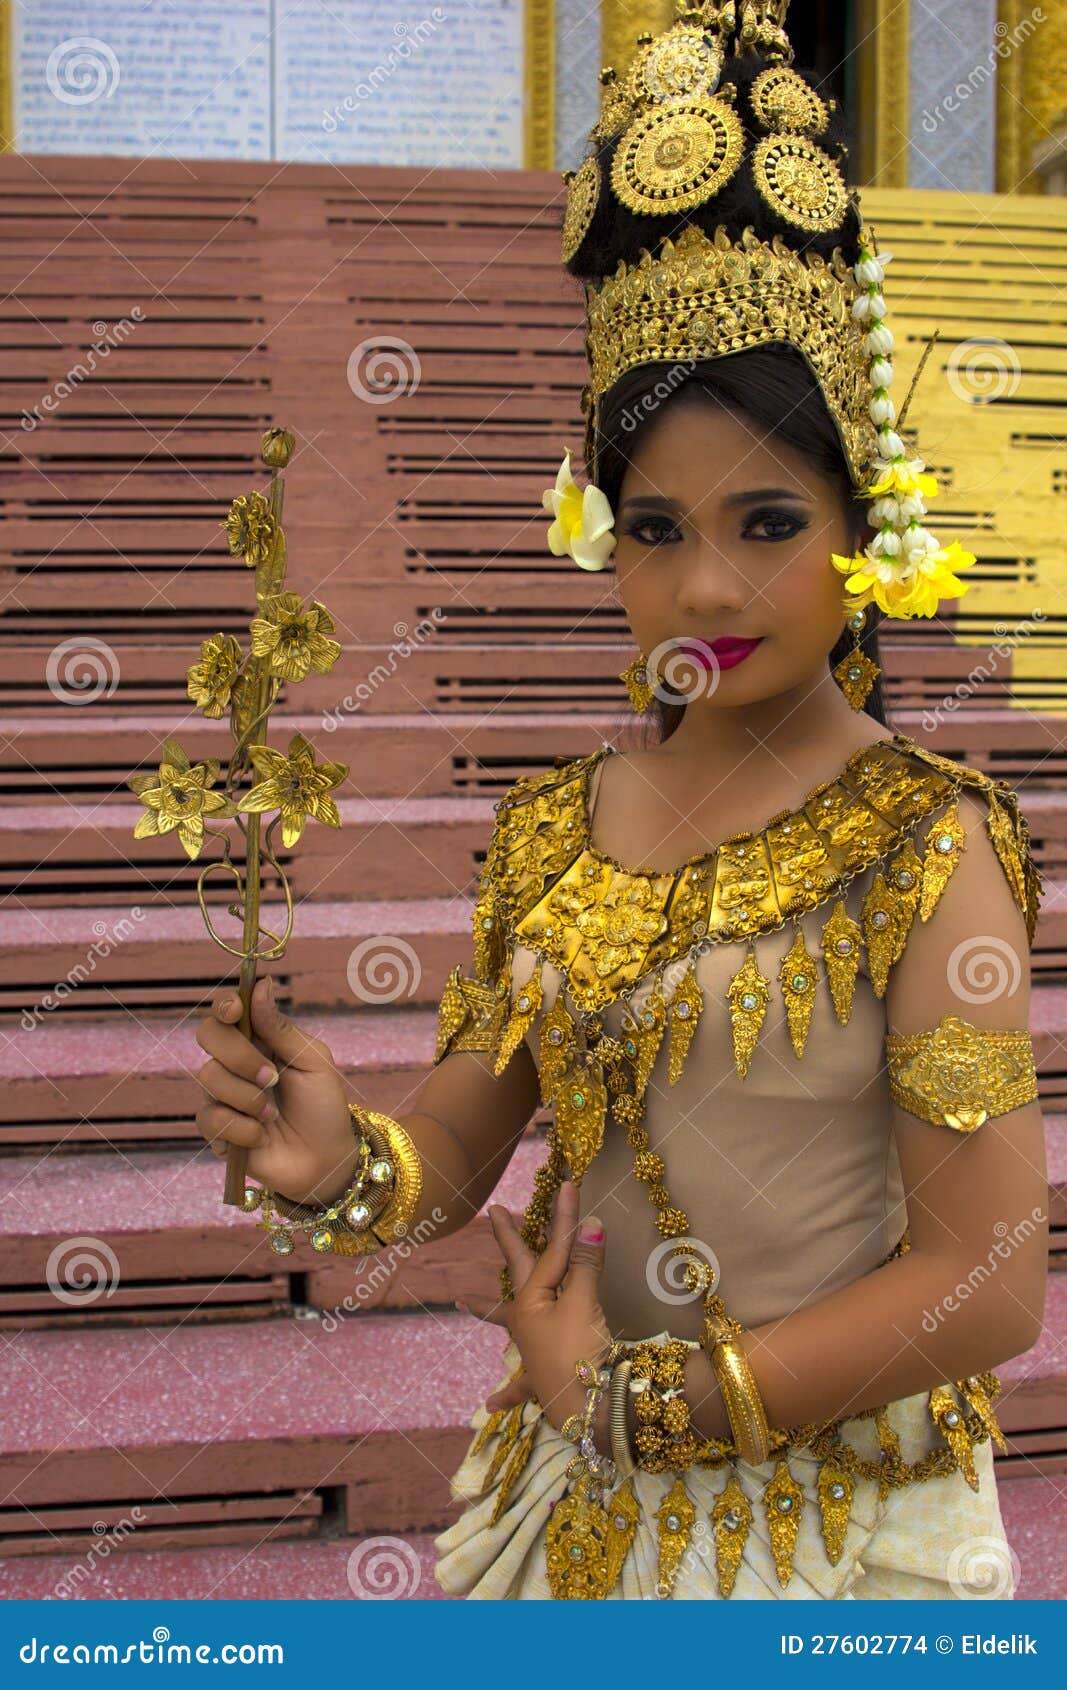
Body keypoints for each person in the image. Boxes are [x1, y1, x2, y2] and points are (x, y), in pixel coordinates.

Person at [193, 1, 1048, 1600]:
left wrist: (642, 1401)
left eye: (767, 520)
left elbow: (989, 1277)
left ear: (869, 520)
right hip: (579, 1506)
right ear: (600, 534)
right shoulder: (550, 828)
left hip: (846, 1536)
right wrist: (346, 1158)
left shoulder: (925, 843)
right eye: (653, 529)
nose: (703, 586)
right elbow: (462, 1138)